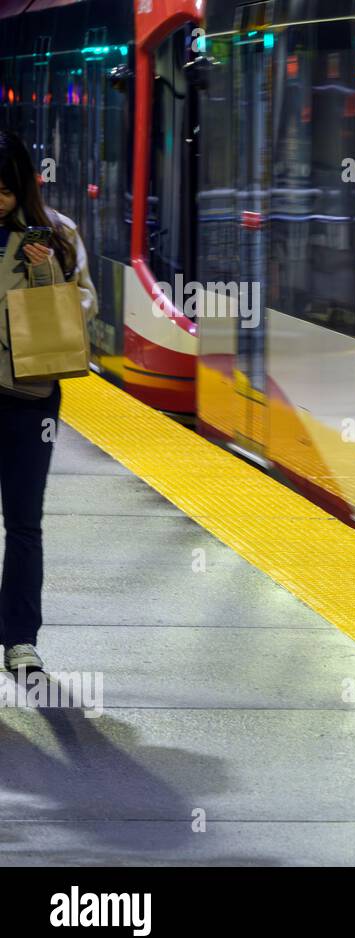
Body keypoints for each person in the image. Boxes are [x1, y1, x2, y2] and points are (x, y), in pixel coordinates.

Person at [0, 130, 98, 673]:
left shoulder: (56, 233)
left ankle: (19, 638)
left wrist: (47, 273)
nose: (0, 200)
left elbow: (85, 304)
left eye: (7, 190)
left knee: (24, 522)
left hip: (28, 396)